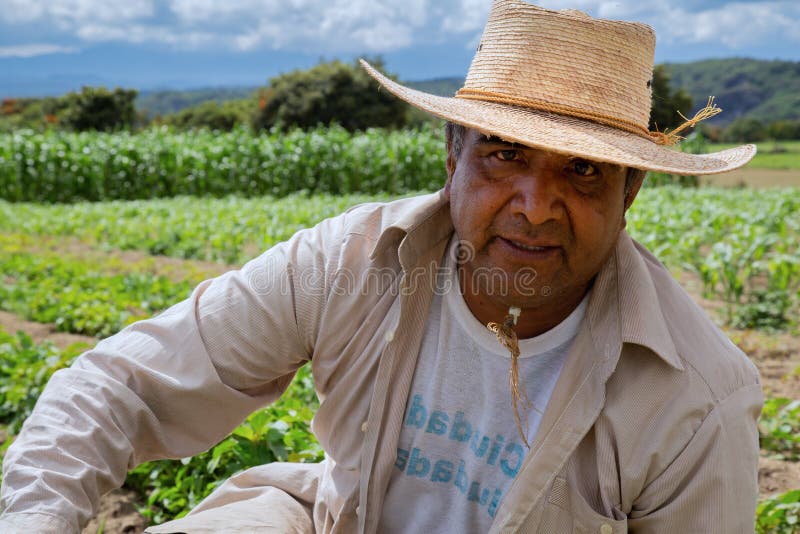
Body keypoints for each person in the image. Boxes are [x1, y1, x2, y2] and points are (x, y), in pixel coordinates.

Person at [1, 1, 763, 533]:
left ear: (631, 193)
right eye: (505, 155)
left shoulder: (697, 399)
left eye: (584, 171)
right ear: (453, 157)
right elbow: (116, 385)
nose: (536, 207)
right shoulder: (349, 264)